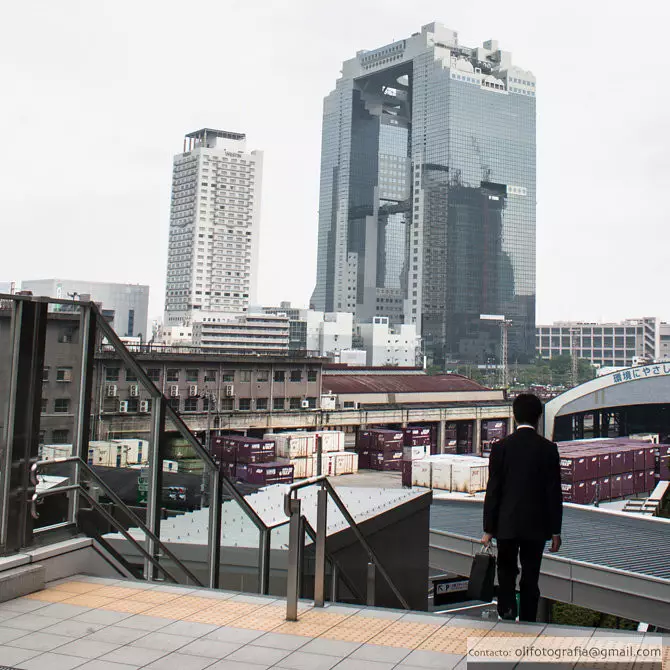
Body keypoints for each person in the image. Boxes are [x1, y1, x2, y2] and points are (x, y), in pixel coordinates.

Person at [482, 393, 563, 622]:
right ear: (538, 417)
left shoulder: (501, 448)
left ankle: (507, 613)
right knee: (530, 576)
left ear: (514, 416)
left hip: (506, 524)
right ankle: (528, 620)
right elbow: (553, 494)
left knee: (506, 572)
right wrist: (555, 531)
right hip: (536, 527)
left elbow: (493, 491)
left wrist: (488, 529)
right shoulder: (548, 449)